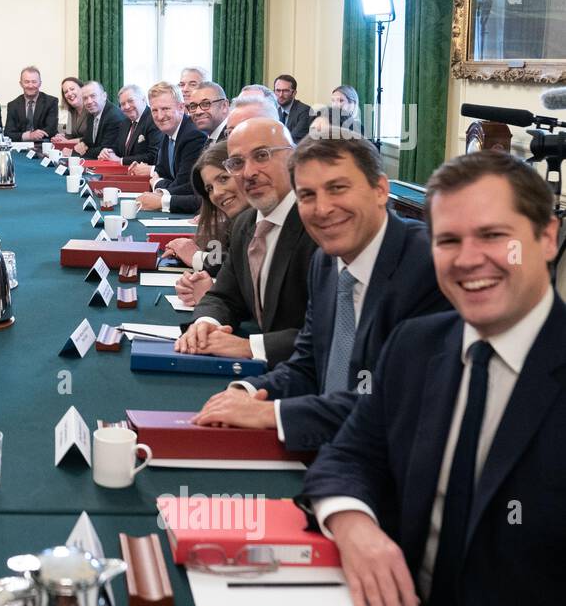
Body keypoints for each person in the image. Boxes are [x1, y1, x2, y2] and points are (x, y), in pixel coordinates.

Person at [300, 151, 566, 606]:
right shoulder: (418, 345)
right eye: (448, 241)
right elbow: (348, 456)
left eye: (493, 236)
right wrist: (355, 526)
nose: (468, 259)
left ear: (547, 239)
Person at [192, 134, 449, 449]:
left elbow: (394, 403)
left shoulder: (426, 264)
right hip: (330, 448)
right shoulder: (326, 263)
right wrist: (245, 391)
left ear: (380, 190)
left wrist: (272, 412)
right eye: (307, 195)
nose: (322, 208)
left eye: (337, 188)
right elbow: (309, 365)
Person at [175, 117, 316, 366]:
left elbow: (333, 331)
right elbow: (224, 296)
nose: (249, 172)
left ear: (294, 158)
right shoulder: (245, 224)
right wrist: (206, 324)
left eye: (262, 156)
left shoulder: (318, 225)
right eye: (237, 163)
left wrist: (250, 346)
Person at [167, 141, 246, 306]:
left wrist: (196, 257)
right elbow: (226, 258)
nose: (217, 193)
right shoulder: (232, 220)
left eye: (224, 179)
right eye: (209, 188)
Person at [131, 81, 208, 214]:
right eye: (154, 110)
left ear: (181, 107)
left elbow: (186, 186)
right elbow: (162, 171)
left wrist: (157, 183)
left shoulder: (193, 135)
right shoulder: (167, 132)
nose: (160, 116)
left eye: (165, 109)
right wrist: (160, 180)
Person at [99, 85, 157, 165]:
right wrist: (108, 152)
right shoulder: (125, 122)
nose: (127, 106)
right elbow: (118, 147)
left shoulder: (154, 119)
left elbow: (154, 155)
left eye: (131, 101)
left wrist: (121, 160)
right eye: (122, 104)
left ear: (143, 99)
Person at [3, 66, 59, 143]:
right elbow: (8, 133)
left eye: (34, 82)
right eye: (26, 82)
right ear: (21, 84)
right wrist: (29, 136)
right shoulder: (13, 105)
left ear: (40, 83)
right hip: (20, 147)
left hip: (43, 146)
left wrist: (36, 135)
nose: (30, 85)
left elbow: (51, 129)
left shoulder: (51, 102)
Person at [72, 81, 126, 158]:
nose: (89, 101)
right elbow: (87, 141)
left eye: (93, 96)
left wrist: (79, 152)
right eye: (85, 98)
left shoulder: (114, 116)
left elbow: (105, 150)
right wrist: (80, 145)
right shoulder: (91, 114)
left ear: (104, 96)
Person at [273, 74, 311, 142]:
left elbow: (293, 139)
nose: (280, 95)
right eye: (278, 90)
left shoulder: (305, 111)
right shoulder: (273, 110)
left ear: (294, 93)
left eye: (285, 91)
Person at [53, 76, 86, 143]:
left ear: (82, 89)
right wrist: (60, 137)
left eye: (72, 89)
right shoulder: (67, 111)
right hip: (74, 151)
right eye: (66, 92)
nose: (69, 94)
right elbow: (65, 133)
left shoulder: (92, 108)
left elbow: (93, 138)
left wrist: (68, 142)